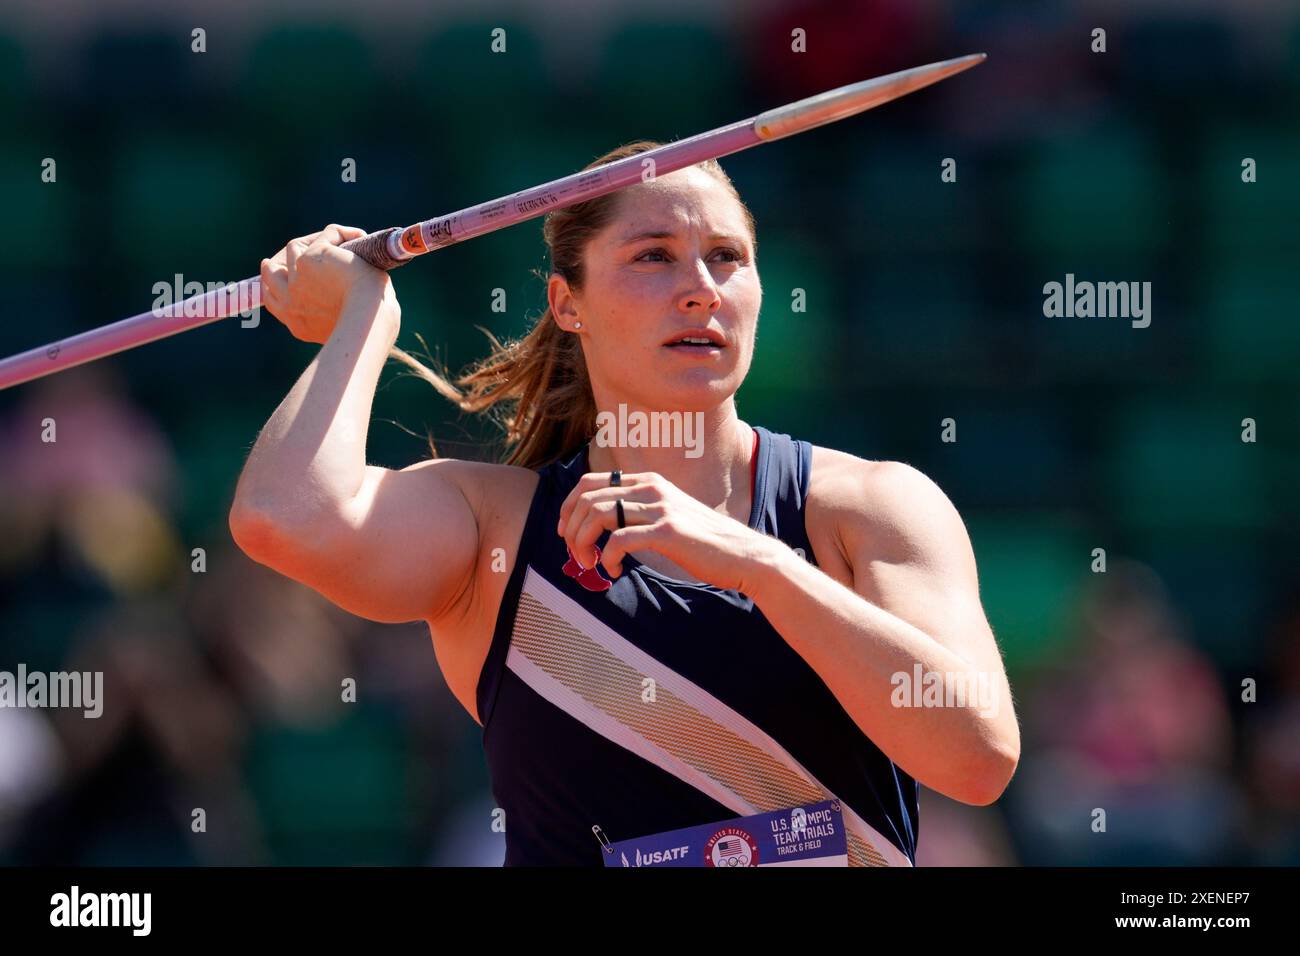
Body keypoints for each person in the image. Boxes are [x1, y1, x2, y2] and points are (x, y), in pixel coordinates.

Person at [229, 141, 1020, 866]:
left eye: (726, 258)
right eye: (654, 257)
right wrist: (364, 320)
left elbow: (978, 756)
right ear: (567, 303)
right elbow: (283, 518)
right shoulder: (495, 531)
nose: (701, 291)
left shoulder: (865, 509)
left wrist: (758, 564)